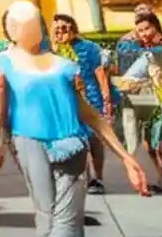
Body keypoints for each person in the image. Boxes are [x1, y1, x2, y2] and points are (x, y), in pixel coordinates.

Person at [0, 0, 149, 236]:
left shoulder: (63, 66)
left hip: (71, 144)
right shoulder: (3, 62)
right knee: (50, 215)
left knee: (65, 221)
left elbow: (90, 115)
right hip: (31, 143)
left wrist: (127, 159)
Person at [117, 10, 162, 192]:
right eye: (140, 31)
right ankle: (156, 177)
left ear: (156, 28)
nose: (144, 33)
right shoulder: (136, 51)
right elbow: (126, 79)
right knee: (150, 140)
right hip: (146, 100)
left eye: (147, 29)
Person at [50, 14, 117, 195]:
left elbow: (99, 72)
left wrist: (106, 98)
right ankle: (84, 179)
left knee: (94, 140)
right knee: (77, 140)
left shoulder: (88, 47)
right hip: (65, 99)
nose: (61, 32)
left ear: (73, 28)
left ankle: (98, 177)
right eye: (57, 29)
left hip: (90, 96)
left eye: (65, 28)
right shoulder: (53, 51)